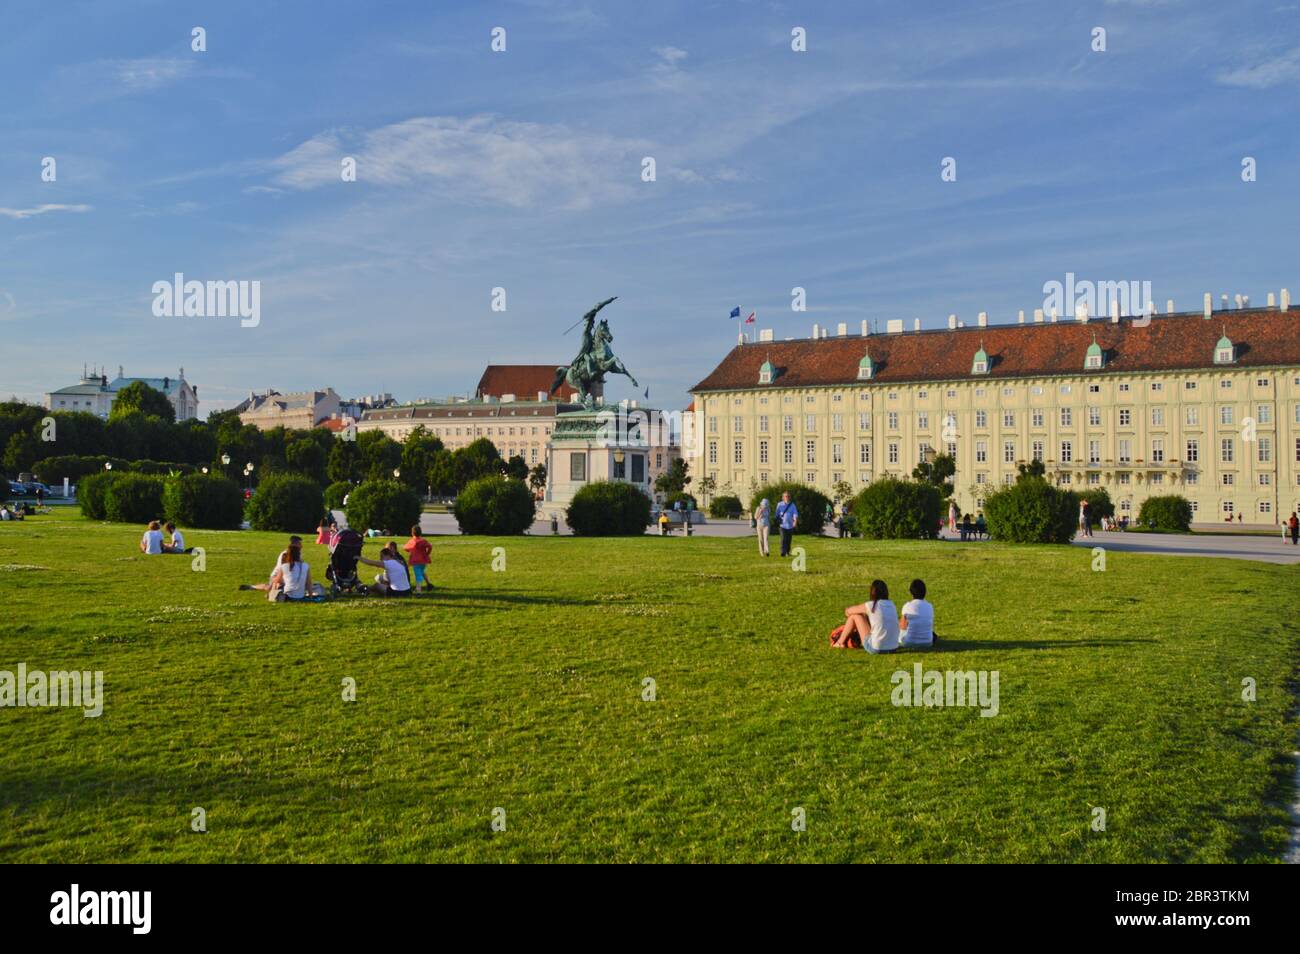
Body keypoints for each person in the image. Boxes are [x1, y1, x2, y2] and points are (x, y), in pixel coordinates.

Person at [836, 580, 900, 654]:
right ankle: (844, 641)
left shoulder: (871, 605)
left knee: (855, 616)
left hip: (876, 648)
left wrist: (847, 610)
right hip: (893, 647)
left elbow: (848, 612)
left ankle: (839, 642)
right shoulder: (892, 605)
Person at [899, 579, 936, 648]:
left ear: (911, 592)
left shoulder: (907, 606)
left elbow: (902, 626)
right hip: (928, 642)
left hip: (909, 643)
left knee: (900, 631)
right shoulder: (929, 606)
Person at [403, 525, 433, 592]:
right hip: (424, 560)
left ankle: (418, 589)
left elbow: (405, 548)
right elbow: (430, 546)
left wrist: (410, 550)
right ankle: (429, 584)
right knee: (421, 571)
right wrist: (427, 553)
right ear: (421, 532)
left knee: (418, 574)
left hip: (415, 561)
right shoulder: (423, 540)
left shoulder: (412, 541)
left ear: (412, 533)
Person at [776, 491, 798, 557]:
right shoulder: (779, 504)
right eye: (786, 496)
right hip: (782, 525)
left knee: (788, 539)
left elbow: (795, 513)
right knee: (783, 539)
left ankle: (787, 552)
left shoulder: (792, 505)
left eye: (788, 496)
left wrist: (795, 521)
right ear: (783, 497)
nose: (787, 497)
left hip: (790, 525)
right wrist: (778, 518)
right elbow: (776, 513)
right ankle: (783, 552)